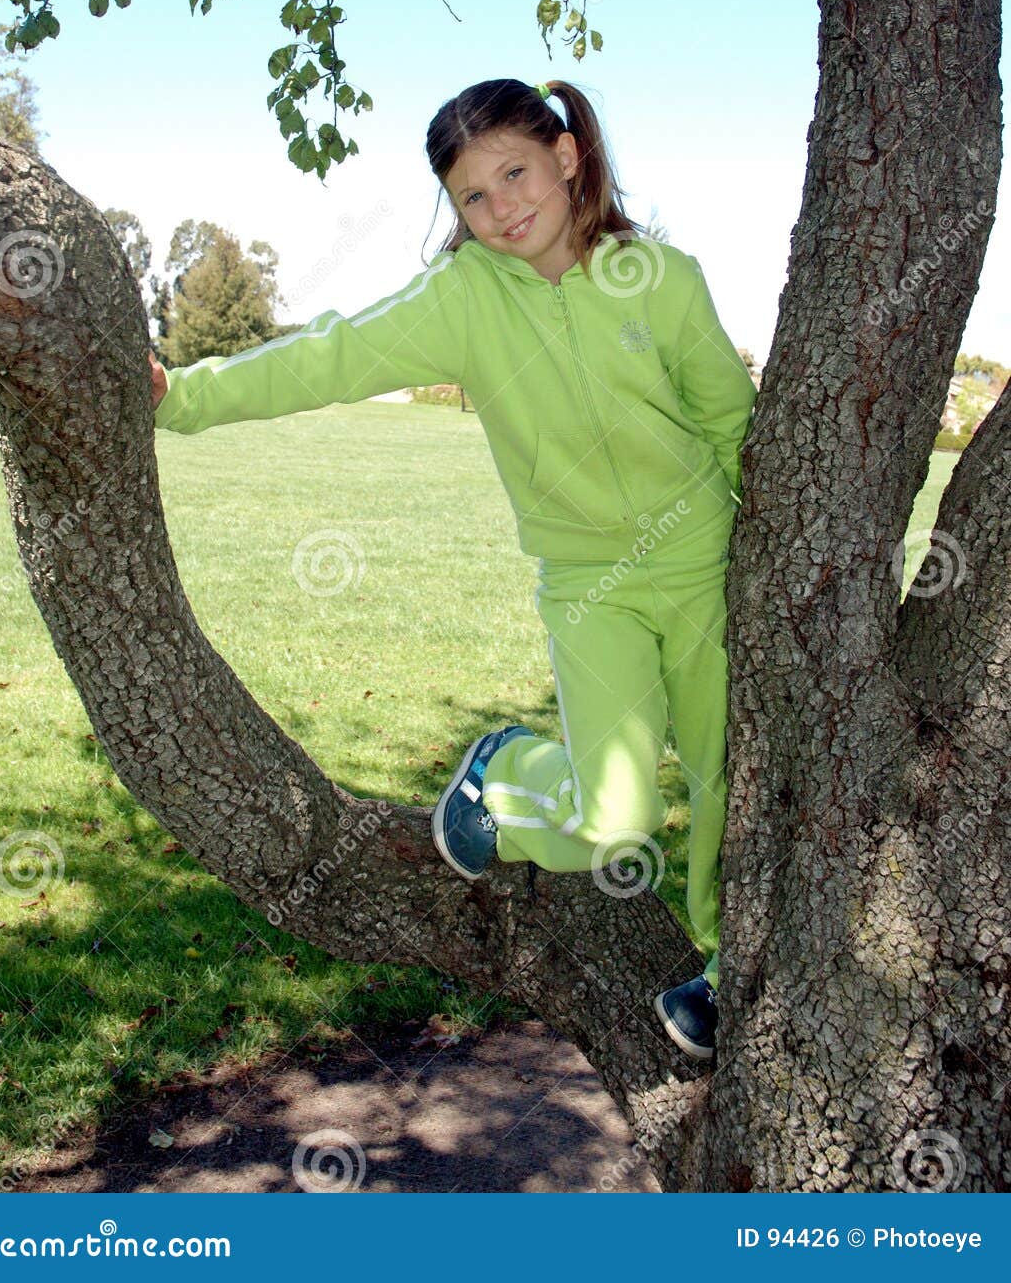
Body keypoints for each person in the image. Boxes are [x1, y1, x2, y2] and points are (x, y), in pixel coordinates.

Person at [150, 78, 757, 1062]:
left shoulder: (661, 278)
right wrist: (180, 396)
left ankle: (730, 970)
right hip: (589, 590)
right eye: (472, 195)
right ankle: (504, 773)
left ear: (567, 156)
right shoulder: (463, 299)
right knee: (615, 823)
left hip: (704, 571)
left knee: (733, 778)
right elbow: (327, 357)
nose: (501, 207)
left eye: (514, 173)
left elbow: (735, 426)